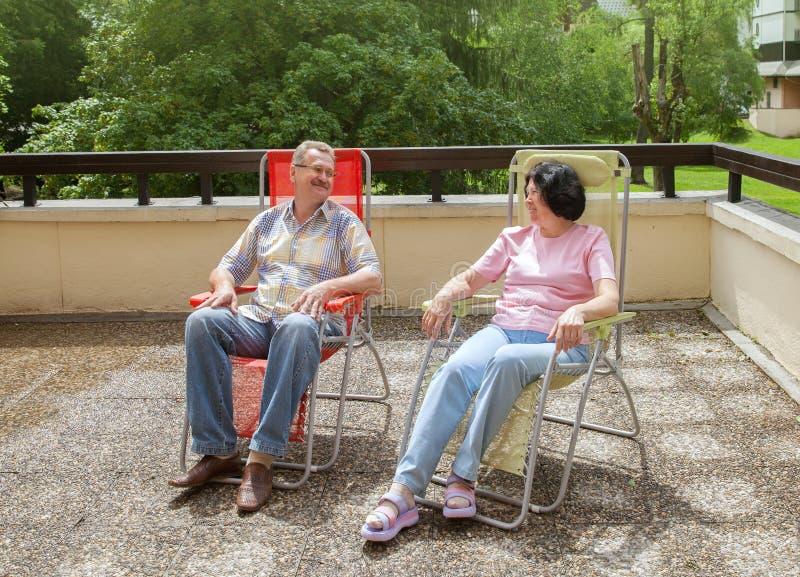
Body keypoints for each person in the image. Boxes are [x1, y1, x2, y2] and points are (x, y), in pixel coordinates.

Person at [361, 161, 619, 541]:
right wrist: (445, 295)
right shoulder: (514, 238)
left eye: (533, 192)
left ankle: (462, 478)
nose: (527, 200)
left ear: (556, 195)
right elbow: (471, 278)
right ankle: (403, 491)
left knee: (505, 361)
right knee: (453, 370)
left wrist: (578, 310)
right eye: (527, 192)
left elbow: (610, 299)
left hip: (562, 345)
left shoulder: (591, 238)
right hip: (505, 331)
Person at [169, 140, 381, 512]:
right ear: (293, 173)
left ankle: (261, 459)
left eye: (330, 173)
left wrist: (328, 286)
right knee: (202, 321)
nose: (324, 178)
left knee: (297, 326)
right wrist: (224, 286)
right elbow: (227, 267)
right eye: (316, 169)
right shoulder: (267, 221)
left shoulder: (344, 223)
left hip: (310, 326)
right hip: (259, 321)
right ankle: (218, 452)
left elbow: (373, 276)